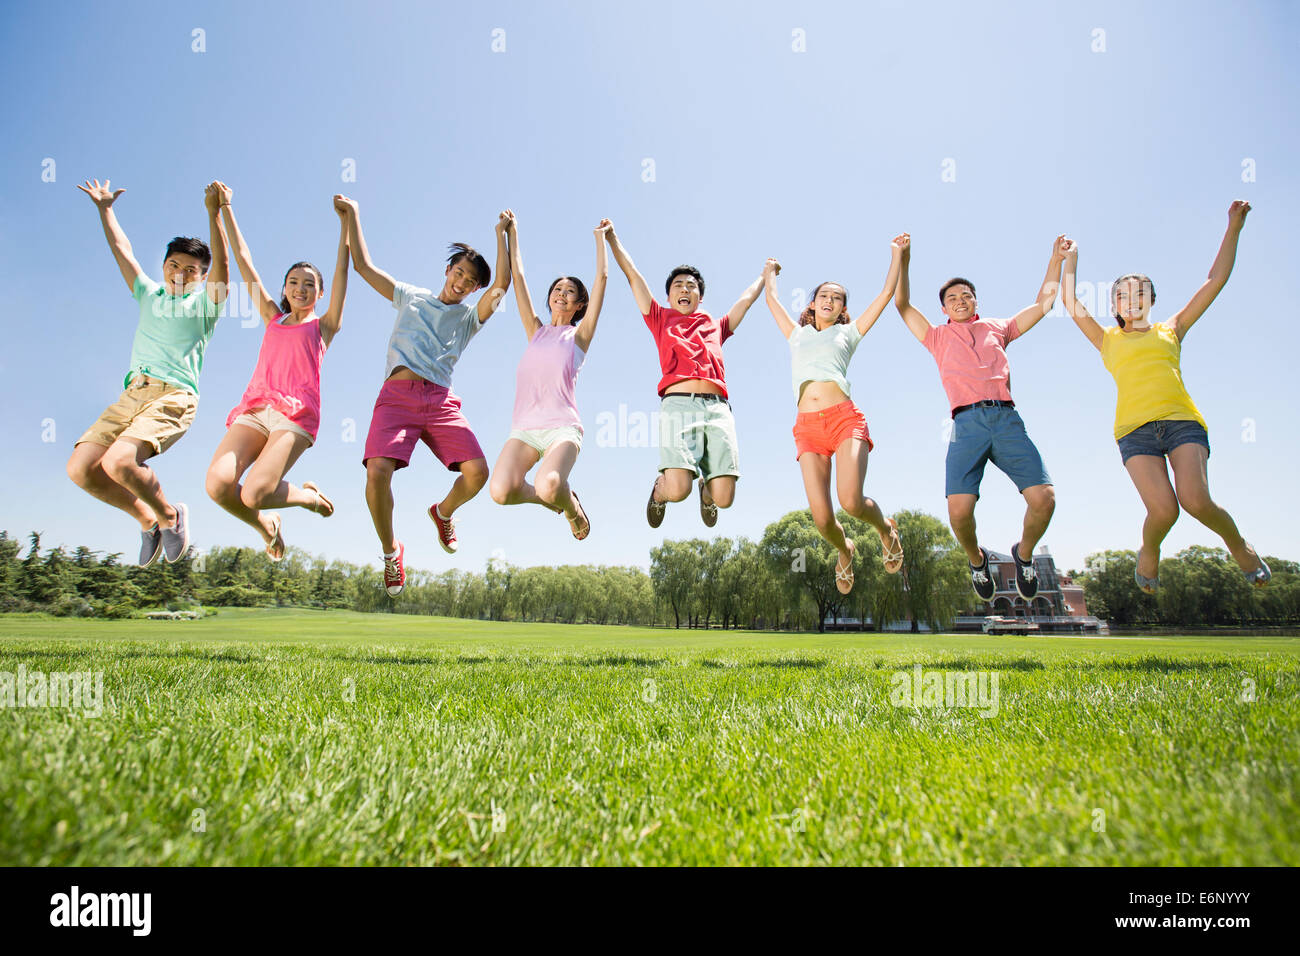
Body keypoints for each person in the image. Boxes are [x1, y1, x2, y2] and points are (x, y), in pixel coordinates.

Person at [1060, 202, 1269, 593]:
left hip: (1181, 423)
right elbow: (1070, 301)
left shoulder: (1172, 329)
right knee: (1163, 510)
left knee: (1196, 500)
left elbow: (1215, 280)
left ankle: (1239, 546)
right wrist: (1070, 260)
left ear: (1152, 301)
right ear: (1114, 305)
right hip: (1134, 432)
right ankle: (1150, 549)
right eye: (1123, 295)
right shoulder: (1107, 340)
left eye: (1140, 293)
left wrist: (1234, 227)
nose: (1132, 299)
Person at [338, 196, 510, 596]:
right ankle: (390, 551)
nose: (462, 282)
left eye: (471, 281)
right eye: (459, 272)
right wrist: (353, 215)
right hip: (396, 398)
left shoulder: (468, 319)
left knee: (478, 473)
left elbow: (502, 285)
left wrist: (502, 234)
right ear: (448, 270)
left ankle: (443, 513)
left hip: (439, 401)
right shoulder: (410, 296)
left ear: (475, 288)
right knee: (376, 472)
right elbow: (363, 266)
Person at [895, 235, 1067, 601]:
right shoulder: (936, 337)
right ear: (944, 307)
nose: (960, 301)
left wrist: (1056, 259)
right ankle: (977, 561)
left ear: (976, 301)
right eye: (952, 298)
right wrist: (903, 258)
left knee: (1044, 498)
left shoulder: (998, 328)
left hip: (1006, 419)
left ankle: (1024, 554)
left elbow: (1045, 303)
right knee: (959, 512)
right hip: (965, 424)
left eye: (966, 295)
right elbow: (902, 304)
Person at [67, 180, 230, 566]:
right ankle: (147, 519)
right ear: (164, 266)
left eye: (191, 270)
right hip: (132, 395)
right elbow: (122, 250)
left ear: (202, 277)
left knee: (119, 462)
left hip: (174, 395)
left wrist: (214, 212)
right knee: (81, 469)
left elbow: (224, 267)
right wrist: (106, 210)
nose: (180, 274)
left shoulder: (206, 305)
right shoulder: (148, 294)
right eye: (174, 265)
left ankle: (170, 515)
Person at [204, 183, 348, 560]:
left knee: (255, 492)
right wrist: (224, 208)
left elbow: (341, 271)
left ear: (320, 293)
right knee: (218, 485)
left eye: (309, 284)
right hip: (256, 408)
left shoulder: (324, 326)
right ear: (284, 288)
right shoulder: (272, 318)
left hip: (295, 416)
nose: (301, 288)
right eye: (294, 282)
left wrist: (345, 224)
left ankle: (308, 498)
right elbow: (244, 261)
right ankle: (266, 526)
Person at [761, 238, 908, 594]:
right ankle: (846, 549)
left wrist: (898, 255)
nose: (830, 300)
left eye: (837, 298)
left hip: (844, 420)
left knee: (851, 501)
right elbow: (772, 301)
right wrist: (770, 272)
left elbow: (887, 293)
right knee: (824, 521)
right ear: (812, 303)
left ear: (843, 308)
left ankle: (886, 530)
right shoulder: (796, 335)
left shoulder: (849, 333)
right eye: (824, 295)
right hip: (807, 429)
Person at [604, 220, 764, 527]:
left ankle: (707, 493)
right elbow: (633, 275)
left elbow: (745, 301)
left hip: (718, 410)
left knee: (724, 498)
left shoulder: (716, 326)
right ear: (668, 296)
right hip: (678, 407)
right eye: (678, 285)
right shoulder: (660, 318)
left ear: (700, 297)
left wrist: (764, 275)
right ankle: (660, 490)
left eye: (691, 286)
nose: (685, 289)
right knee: (678, 490)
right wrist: (612, 239)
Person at [488, 212, 607, 539]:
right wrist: (508, 234)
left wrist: (600, 240)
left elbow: (601, 279)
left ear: (579, 304)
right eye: (557, 288)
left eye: (570, 291)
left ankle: (571, 508)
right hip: (525, 428)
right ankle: (554, 499)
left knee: (549, 483)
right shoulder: (536, 332)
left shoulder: (579, 337)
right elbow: (519, 277)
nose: (562, 293)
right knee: (501, 491)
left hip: (562, 428)